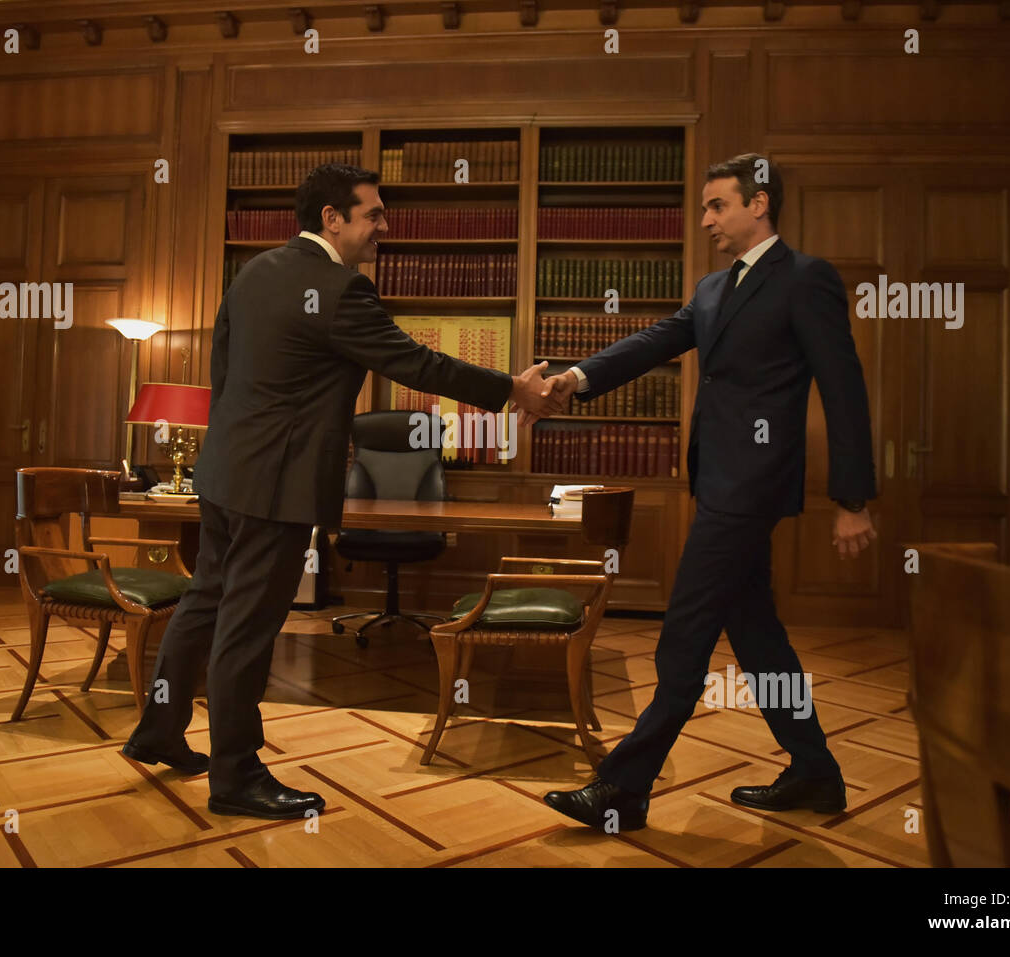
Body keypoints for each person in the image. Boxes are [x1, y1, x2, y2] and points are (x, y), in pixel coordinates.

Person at [123, 163, 557, 819]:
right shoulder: (340, 289)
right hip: (276, 487)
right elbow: (415, 363)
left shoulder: (254, 272)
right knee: (247, 628)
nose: (384, 226)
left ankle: (159, 730)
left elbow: (224, 370)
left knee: (205, 603)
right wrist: (512, 390)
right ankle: (236, 776)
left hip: (224, 472)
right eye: (373, 214)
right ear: (332, 218)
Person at [533, 153, 878, 832]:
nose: (706, 220)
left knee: (685, 634)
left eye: (717, 205)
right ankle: (815, 770)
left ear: (759, 203)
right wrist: (576, 377)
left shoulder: (806, 279)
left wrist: (853, 499)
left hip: (753, 484)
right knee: (756, 634)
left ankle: (623, 787)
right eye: (704, 207)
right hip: (717, 478)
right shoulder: (714, 287)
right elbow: (656, 340)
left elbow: (844, 389)